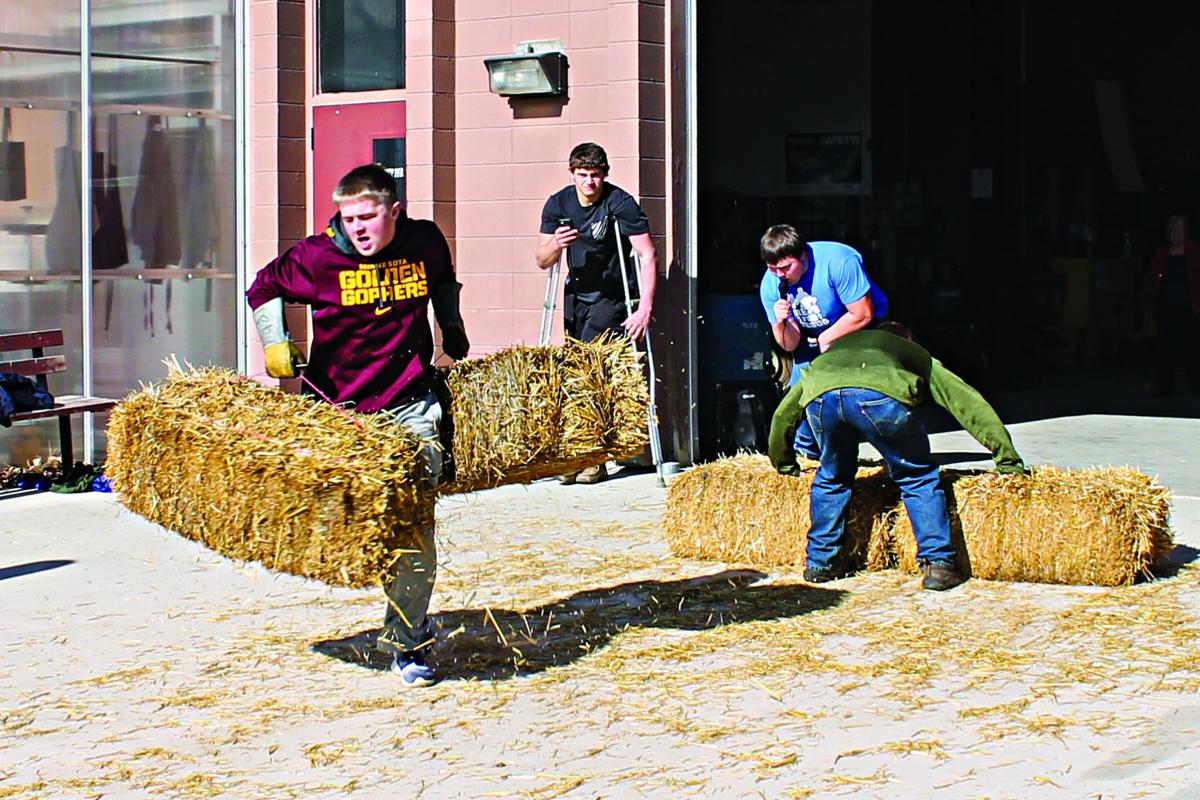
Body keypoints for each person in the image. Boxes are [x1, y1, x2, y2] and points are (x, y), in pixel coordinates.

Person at [246, 163, 469, 686]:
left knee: (414, 525)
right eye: (348, 219)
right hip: (339, 411)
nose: (358, 229)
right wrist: (275, 342)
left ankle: (408, 644)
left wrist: (452, 325)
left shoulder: (423, 241)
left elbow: (442, 279)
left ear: (394, 211)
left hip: (410, 402)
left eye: (368, 217)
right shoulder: (317, 256)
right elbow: (262, 288)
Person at [767, 323, 1025, 591]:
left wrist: (784, 462)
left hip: (822, 399)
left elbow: (783, 415)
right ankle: (938, 565)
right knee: (917, 476)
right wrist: (1006, 457)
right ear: (908, 340)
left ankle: (821, 564)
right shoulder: (912, 352)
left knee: (832, 476)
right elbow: (967, 403)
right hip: (879, 398)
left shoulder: (833, 353)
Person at [535, 142, 658, 484]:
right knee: (576, 372)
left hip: (612, 296)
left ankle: (594, 457)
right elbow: (542, 259)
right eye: (583, 175)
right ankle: (580, 453)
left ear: (605, 174)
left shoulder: (619, 203)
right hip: (576, 294)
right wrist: (556, 245)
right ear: (572, 173)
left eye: (595, 175)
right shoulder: (558, 204)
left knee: (588, 369)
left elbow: (647, 254)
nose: (589, 182)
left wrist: (644, 307)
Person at [758, 224, 889, 453]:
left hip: (861, 328)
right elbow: (789, 344)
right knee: (800, 394)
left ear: (803, 255)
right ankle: (806, 456)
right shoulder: (770, 284)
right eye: (772, 268)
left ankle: (886, 451)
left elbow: (863, 314)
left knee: (861, 394)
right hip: (813, 337)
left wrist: (828, 337)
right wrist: (780, 323)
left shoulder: (839, 261)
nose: (780, 275)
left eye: (786, 267)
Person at [1140, 214, 1200, 396]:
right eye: (1173, 230)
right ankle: (1165, 387)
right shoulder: (1162, 253)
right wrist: (1145, 301)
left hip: (1192, 309)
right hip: (1166, 309)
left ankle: (1196, 386)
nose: (1176, 233)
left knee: (1193, 350)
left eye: (1180, 229)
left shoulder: (1196, 252)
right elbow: (1151, 278)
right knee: (1165, 351)